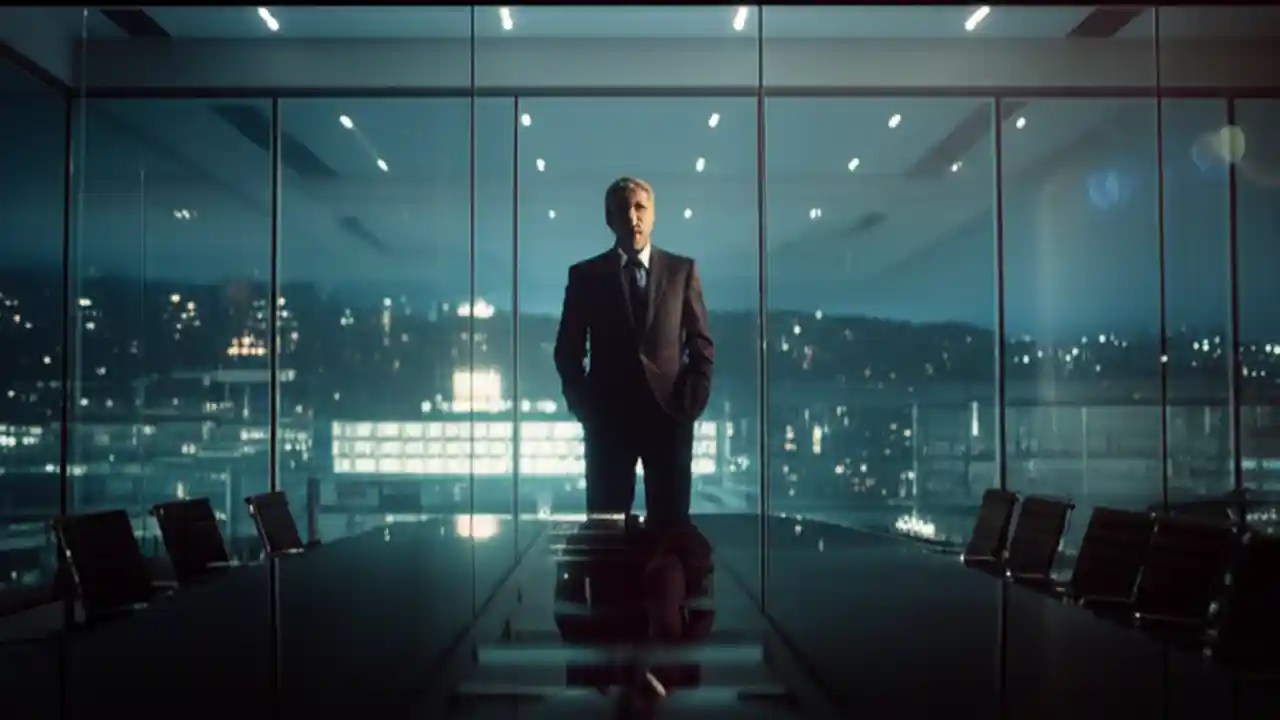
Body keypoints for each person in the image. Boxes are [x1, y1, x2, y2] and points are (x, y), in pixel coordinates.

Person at [554, 177, 715, 530]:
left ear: (654, 216)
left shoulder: (681, 271)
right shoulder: (585, 276)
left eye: (640, 208)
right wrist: (586, 408)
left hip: (670, 419)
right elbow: (567, 351)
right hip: (608, 423)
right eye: (624, 210)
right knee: (606, 531)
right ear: (609, 219)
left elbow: (700, 344)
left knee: (671, 529)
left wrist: (691, 402)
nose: (633, 217)